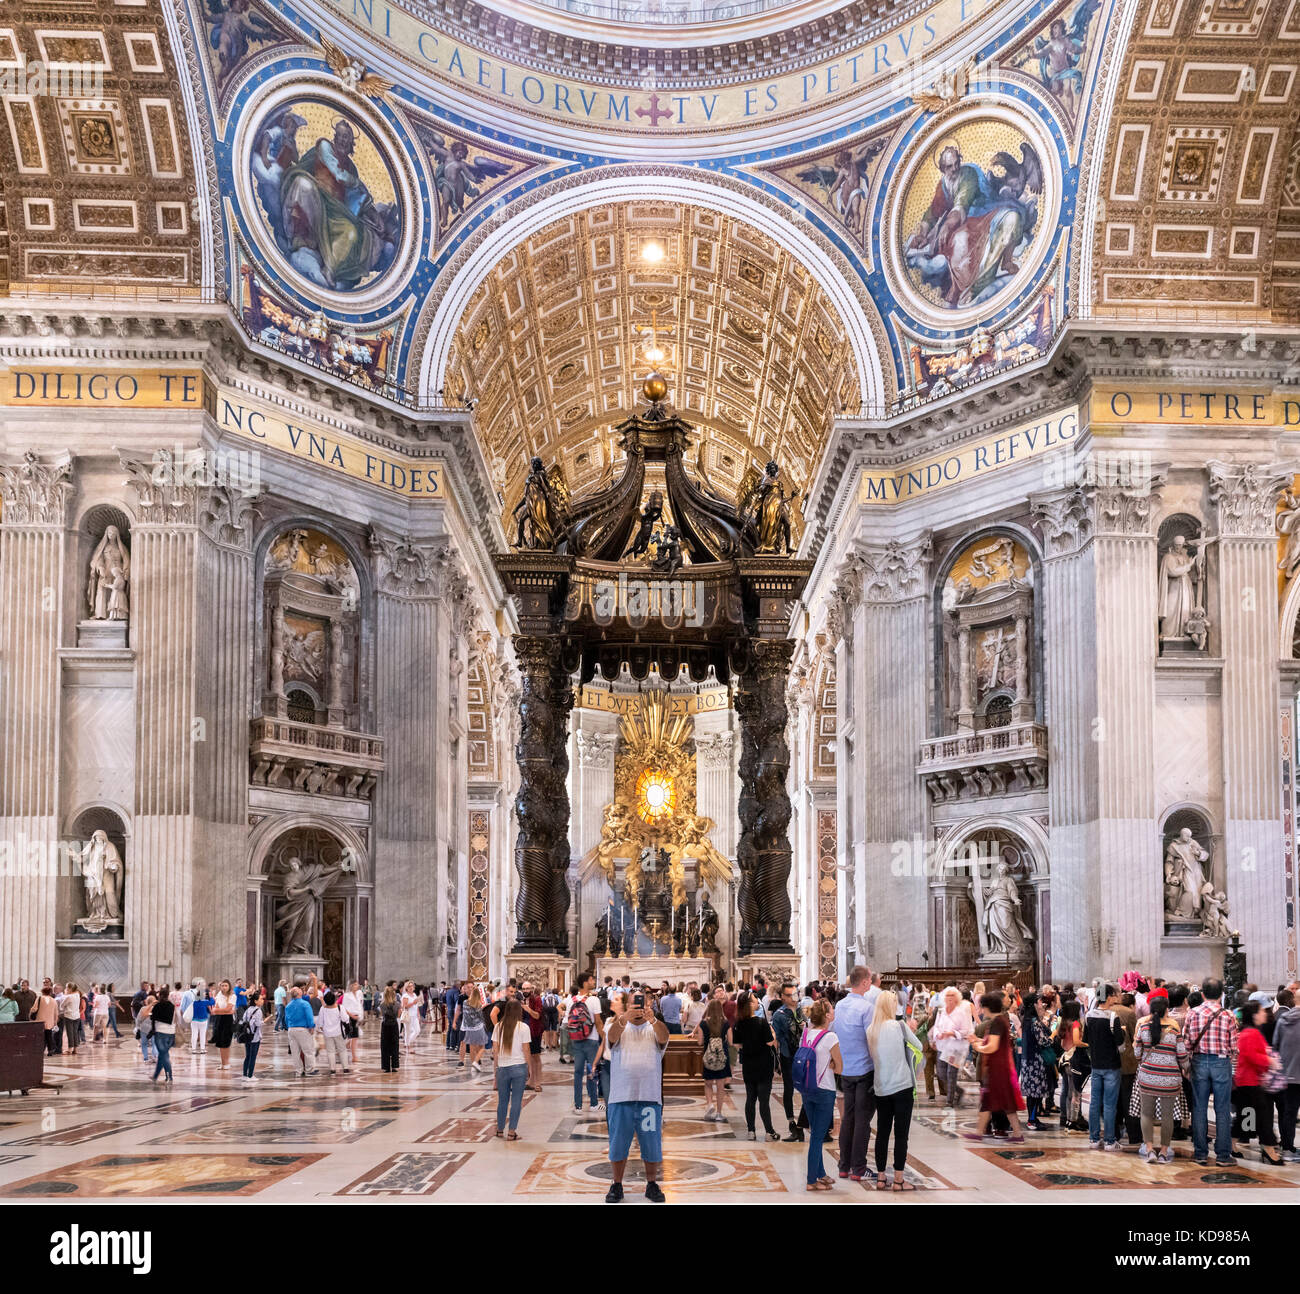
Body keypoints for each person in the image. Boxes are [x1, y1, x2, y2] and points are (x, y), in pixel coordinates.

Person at [604, 990, 670, 1203]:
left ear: (649, 1003)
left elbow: (664, 1038)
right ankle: (616, 1184)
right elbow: (611, 1038)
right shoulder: (616, 1025)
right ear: (628, 1004)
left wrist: (653, 1019)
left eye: (642, 1001)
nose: (638, 1006)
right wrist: (624, 1019)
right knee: (618, 1143)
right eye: (634, 1002)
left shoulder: (655, 1027)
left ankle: (651, 1184)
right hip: (621, 1095)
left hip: (649, 1097)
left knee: (651, 1143)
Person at [867, 990, 921, 1191]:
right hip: (902, 1086)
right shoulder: (899, 1026)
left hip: (881, 1087)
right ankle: (898, 1179)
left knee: (882, 1133)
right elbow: (919, 1046)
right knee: (901, 1135)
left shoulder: (871, 1029)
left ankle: (881, 1178)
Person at [1185, 977, 1238, 1167]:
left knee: (1199, 1108)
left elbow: (1187, 1041)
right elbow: (1233, 1045)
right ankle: (1223, 1155)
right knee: (1222, 1109)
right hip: (1221, 1062)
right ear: (1222, 994)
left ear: (1202, 994)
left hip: (1199, 1061)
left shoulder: (1192, 1013)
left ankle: (1200, 1153)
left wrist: (1188, 1063)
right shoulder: (1228, 1015)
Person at [962, 992, 1026, 1143]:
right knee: (1003, 1103)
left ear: (988, 1007)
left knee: (991, 1102)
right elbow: (992, 1042)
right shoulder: (1000, 1021)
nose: (981, 1011)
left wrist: (976, 1045)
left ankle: (981, 1132)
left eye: (983, 1007)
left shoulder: (997, 1022)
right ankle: (1016, 1134)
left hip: (998, 1070)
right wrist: (976, 1040)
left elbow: (992, 1047)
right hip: (1001, 1068)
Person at [835, 965, 877, 1181]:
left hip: (846, 1070)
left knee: (848, 1118)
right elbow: (872, 1040)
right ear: (864, 982)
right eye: (870, 979)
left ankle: (844, 1166)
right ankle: (859, 1168)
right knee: (862, 1121)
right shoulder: (867, 1007)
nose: (870, 983)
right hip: (863, 1070)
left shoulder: (840, 1005)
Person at [1133, 994, 1188, 1162]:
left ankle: (1149, 1150)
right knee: (1167, 1116)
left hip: (1148, 1076)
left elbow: (1137, 1053)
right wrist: (1187, 1069)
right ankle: (1164, 1151)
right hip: (1170, 1078)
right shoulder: (1173, 1030)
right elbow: (1182, 1055)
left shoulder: (1143, 1028)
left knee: (1146, 1114)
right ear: (1166, 1010)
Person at [800, 998, 842, 1191]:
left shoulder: (806, 1033)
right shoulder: (831, 1037)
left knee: (815, 1132)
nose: (833, 1011)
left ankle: (820, 1173)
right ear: (826, 1015)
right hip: (825, 1089)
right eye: (831, 1009)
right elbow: (840, 1067)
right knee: (818, 1136)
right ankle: (811, 1180)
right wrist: (831, 1064)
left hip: (807, 1088)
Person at [1233, 999, 1283, 1164]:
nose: (1264, 1013)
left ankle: (1231, 1144)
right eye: (1261, 1011)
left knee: (1246, 1116)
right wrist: (1269, 1061)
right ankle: (1269, 1149)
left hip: (1249, 1080)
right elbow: (1251, 1055)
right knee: (1262, 1117)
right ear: (1254, 1015)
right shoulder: (1251, 1033)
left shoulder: (1251, 1031)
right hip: (1250, 1081)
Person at [1083, 983, 1126, 1150]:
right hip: (1111, 1066)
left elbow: (1086, 1039)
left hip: (1096, 1064)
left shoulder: (1089, 1015)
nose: (1115, 998)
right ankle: (1109, 1140)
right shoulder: (1112, 1016)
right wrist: (1121, 1032)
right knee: (1109, 1104)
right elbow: (1120, 1045)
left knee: (1095, 1103)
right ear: (1108, 997)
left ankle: (1094, 1139)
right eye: (1113, 995)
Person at [733, 990, 780, 1141]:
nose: (757, 1003)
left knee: (750, 1098)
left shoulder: (739, 1023)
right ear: (749, 1005)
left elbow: (737, 1044)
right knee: (764, 1099)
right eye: (754, 1000)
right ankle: (769, 1132)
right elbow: (770, 1042)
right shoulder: (761, 1022)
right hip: (763, 1064)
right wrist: (773, 1033)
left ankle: (751, 1131)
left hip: (748, 1064)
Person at [566, 972, 603, 1117]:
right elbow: (598, 1021)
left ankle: (578, 1106)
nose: (593, 981)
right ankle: (594, 1104)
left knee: (577, 1073)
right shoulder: (593, 1000)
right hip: (591, 1039)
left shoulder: (570, 1000)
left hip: (576, 1040)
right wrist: (604, 1039)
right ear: (585, 982)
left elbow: (566, 1023)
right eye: (591, 979)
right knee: (592, 1071)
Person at [493, 998, 529, 1140]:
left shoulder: (498, 1027)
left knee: (502, 1100)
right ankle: (512, 1132)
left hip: (502, 1067)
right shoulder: (524, 1027)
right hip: (519, 1066)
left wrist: (496, 1068)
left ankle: (500, 1130)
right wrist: (529, 1066)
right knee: (516, 1100)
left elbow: (495, 1051)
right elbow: (526, 1050)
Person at [931, 986, 971, 1108]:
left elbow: (967, 1030)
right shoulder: (941, 1011)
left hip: (956, 1048)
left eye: (952, 996)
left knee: (951, 1073)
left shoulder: (961, 1012)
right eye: (947, 996)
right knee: (941, 1074)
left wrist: (952, 1033)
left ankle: (950, 1101)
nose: (949, 999)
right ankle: (958, 1091)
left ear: (957, 999)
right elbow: (936, 1026)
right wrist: (937, 1035)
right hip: (942, 1046)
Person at [694, 998, 732, 1122]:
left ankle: (710, 1104)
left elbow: (700, 1042)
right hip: (722, 1057)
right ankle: (719, 1113)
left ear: (708, 1009)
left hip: (708, 1057)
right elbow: (730, 1041)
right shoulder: (726, 1023)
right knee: (720, 1086)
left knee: (708, 1083)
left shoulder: (703, 1023)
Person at [1017, 992, 1050, 1130]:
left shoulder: (1026, 1020)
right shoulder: (1034, 1022)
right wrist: (1052, 1037)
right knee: (1036, 1092)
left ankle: (1032, 1118)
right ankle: (1031, 1120)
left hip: (1027, 1060)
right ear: (1034, 1004)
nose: (1041, 1004)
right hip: (1035, 1061)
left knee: (1032, 1092)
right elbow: (1043, 1041)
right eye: (1039, 1002)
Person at [284, 986, 318, 1078]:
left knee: (295, 1052)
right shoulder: (305, 1004)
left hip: (291, 1029)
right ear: (299, 994)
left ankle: (299, 1070)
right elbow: (309, 1017)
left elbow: (286, 1019)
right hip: (303, 1029)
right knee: (308, 1050)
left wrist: (289, 1027)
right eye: (300, 990)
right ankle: (309, 1070)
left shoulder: (288, 1005)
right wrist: (311, 1026)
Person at [317, 989, 351, 1076]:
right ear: (335, 999)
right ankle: (345, 1068)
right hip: (339, 1032)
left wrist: (323, 1029)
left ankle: (332, 1069)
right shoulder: (340, 1008)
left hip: (327, 1033)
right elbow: (345, 1019)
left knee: (330, 1051)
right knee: (342, 1050)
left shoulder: (322, 1009)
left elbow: (320, 1022)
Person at [457, 985, 489, 1073]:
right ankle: (475, 1062)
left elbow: (465, 1014)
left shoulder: (465, 1002)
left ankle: (473, 1066)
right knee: (482, 1047)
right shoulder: (478, 1004)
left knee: (472, 1047)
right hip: (478, 1027)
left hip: (469, 1028)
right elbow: (480, 1017)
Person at [149, 985, 176, 1084]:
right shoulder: (171, 1006)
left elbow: (153, 1019)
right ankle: (155, 1076)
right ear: (168, 995)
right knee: (162, 1055)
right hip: (171, 1033)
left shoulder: (157, 1006)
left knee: (164, 1056)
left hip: (160, 1032)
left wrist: (152, 1030)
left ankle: (170, 1077)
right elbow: (171, 1019)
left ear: (159, 995)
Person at [522, 981, 545, 1091]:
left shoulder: (537, 999)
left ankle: (538, 1082)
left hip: (534, 1032)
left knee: (536, 1057)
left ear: (531, 989)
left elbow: (537, 1015)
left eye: (527, 989)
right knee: (528, 1057)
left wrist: (528, 1010)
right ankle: (531, 1081)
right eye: (524, 989)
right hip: (523, 1033)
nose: (525, 991)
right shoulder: (521, 1000)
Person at [211, 979, 237, 1073]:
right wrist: (221, 1011)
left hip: (228, 1020)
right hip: (219, 1019)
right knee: (220, 1042)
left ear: (229, 986)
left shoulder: (232, 996)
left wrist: (220, 1010)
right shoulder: (219, 995)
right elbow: (214, 1009)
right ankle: (223, 1063)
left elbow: (229, 1009)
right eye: (222, 985)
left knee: (226, 1042)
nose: (224, 987)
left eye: (226, 985)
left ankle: (226, 1063)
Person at [379, 985, 401, 1073]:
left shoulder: (382, 1005)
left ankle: (386, 1067)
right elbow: (399, 1015)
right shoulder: (397, 1004)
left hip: (385, 1025)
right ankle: (394, 1066)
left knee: (385, 1046)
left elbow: (382, 1015)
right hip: (394, 1025)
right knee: (395, 1046)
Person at [34, 987, 60, 1055]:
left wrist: (30, 1013)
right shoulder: (53, 1000)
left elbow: (34, 1008)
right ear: (50, 992)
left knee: (40, 1036)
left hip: (40, 1021)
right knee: (49, 1036)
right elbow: (56, 1012)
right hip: (49, 1021)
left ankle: (40, 1050)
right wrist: (55, 1022)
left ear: (42, 992)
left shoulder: (39, 998)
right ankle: (50, 1050)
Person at [59, 982, 82, 1055]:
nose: (65, 989)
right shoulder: (77, 995)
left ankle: (69, 1050)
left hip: (69, 1016)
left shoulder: (69, 997)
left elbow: (61, 1006)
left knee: (70, 1033)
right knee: (75, 1033)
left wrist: (65, 995)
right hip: (77, 1016)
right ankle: (75, 1049)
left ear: (70, 989)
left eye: (66, 988)